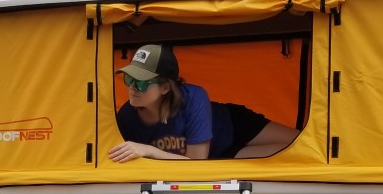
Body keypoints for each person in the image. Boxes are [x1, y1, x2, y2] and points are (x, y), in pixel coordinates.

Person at [109, 43, 298, 162]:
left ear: (165, 87)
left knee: (301, 144)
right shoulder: (127, 116)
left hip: (233, 126)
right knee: (290, 157)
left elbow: (195, 160)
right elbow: (199, 167)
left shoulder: (194, 97)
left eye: (141, 82)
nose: (132, 87)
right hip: (220, 155)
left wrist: (149, 151)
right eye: (128, 79)